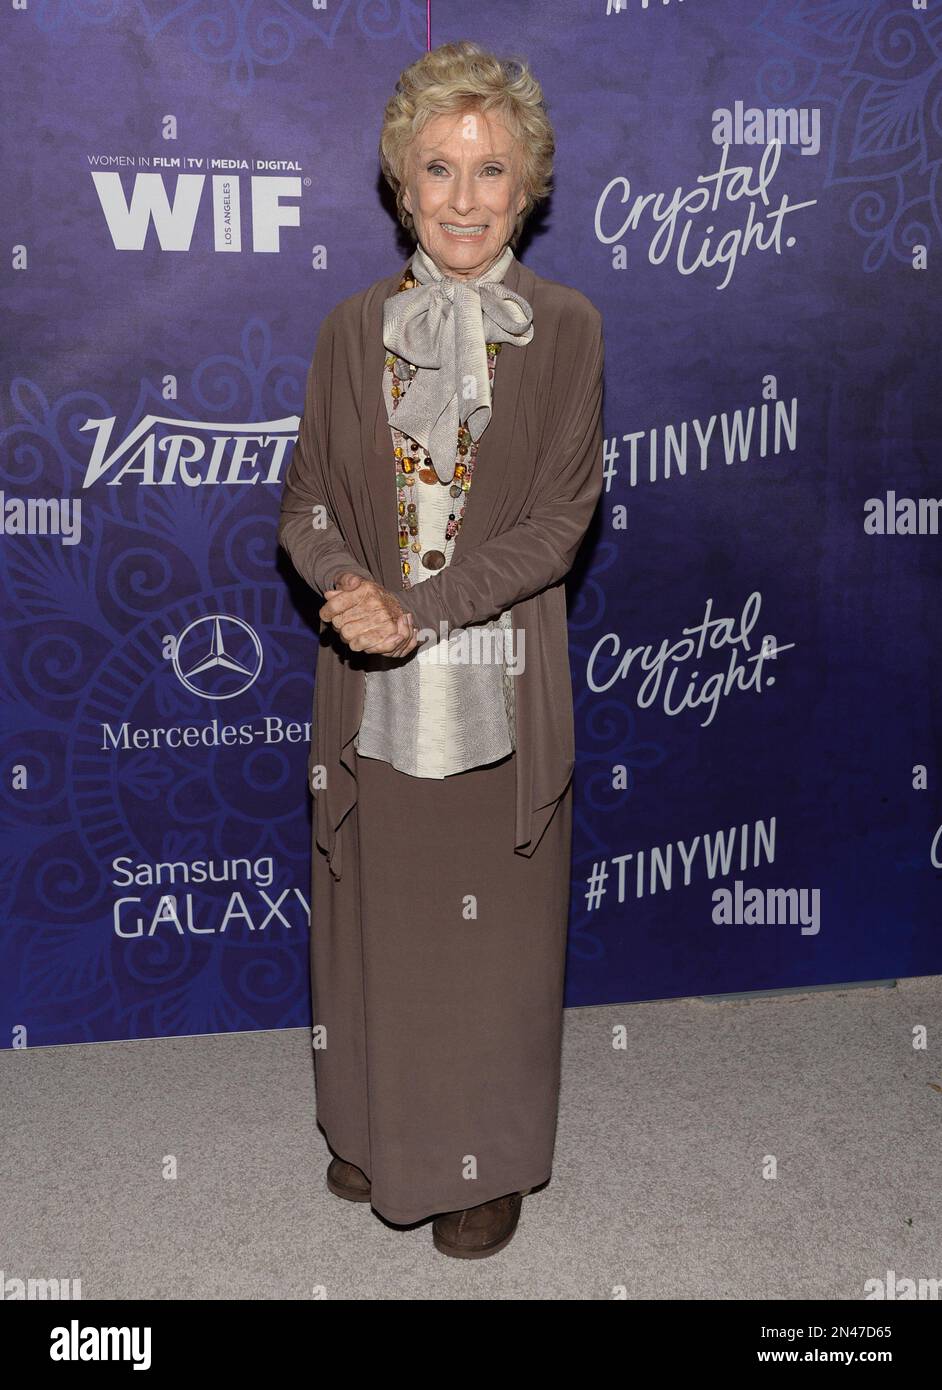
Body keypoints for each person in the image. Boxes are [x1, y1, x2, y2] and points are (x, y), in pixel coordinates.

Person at [278, 39, 605, 1259]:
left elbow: (561, 523)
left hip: (496, 679)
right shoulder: (344, 328)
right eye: (440, 168)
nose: (465, 197)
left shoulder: (568, 330)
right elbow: (303, 501)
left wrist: (423, 608)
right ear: (400, 186)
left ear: (529, 189)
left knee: (495, 931)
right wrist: (348, 583)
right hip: (368, 680)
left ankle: (484, 1161)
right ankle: (371, 1123)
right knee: (372, 915)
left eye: (492, 170)